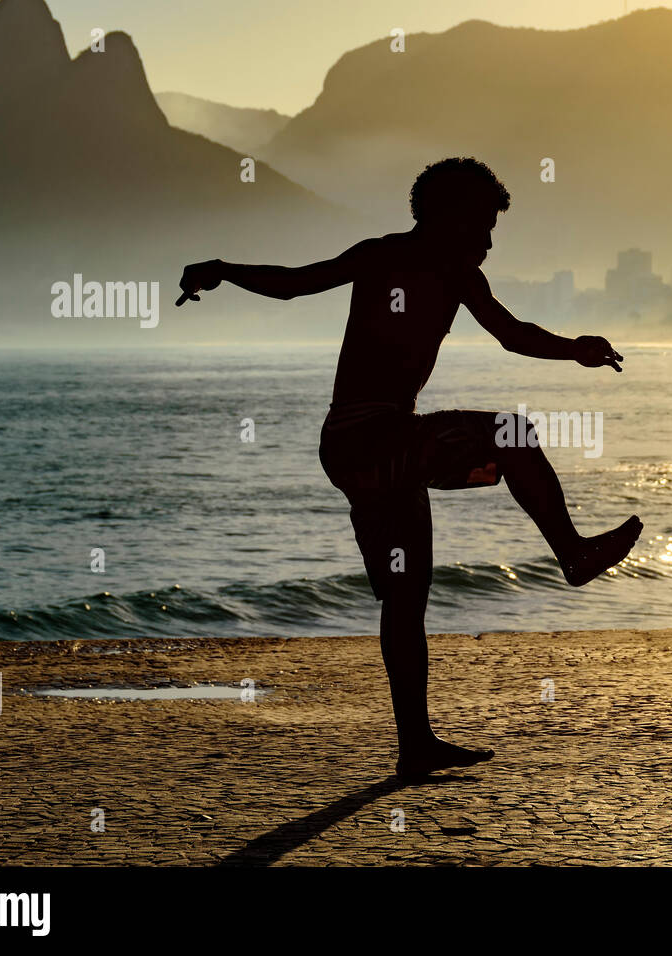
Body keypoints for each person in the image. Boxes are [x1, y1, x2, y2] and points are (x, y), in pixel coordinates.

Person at [178, 157, 642, 779]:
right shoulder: (417, 261)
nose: (489, 239)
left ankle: (414, 747)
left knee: (405, 595)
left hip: (361, 449)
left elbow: (508, 332)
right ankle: (572, 554)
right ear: (447, 217)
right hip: (371, 438)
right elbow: (296, 283)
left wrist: (221, 270)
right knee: (512, 434)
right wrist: (224, 271)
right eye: (481, 223)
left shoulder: (427, 266)